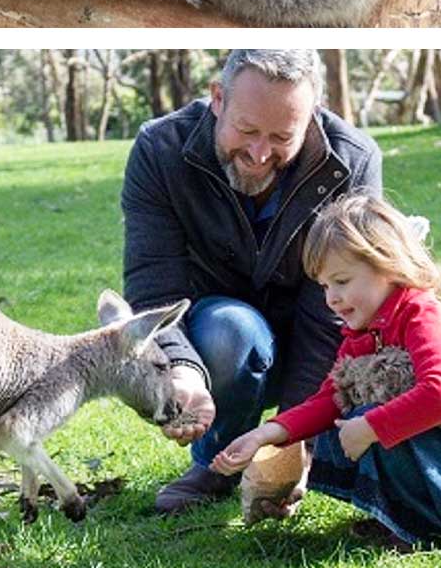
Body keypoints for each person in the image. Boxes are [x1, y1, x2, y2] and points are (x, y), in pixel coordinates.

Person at [121, 49, 384, 514]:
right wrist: (182, 367)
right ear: (217, 99)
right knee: (232, 331)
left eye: (283, 136)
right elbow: (153, 284)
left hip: (317, 340)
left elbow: (334, 311)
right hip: (217, 339)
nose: (261, 153)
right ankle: (216, 462)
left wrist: (291, 437)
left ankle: (298, 460)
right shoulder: (159, 150)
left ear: (313, 116)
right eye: (247, 131)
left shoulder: (352, 161)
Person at [211, 194, 441, 552]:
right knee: (344, 421)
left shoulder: (422, 314)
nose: (331, 298)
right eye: (324, 286)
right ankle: (403, 515)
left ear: (388, 267)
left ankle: (439, 523)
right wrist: (264, 435)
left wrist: (371, 427)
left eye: (342, 281)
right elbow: (328, 400)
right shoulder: (364, 334)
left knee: (366, 420)